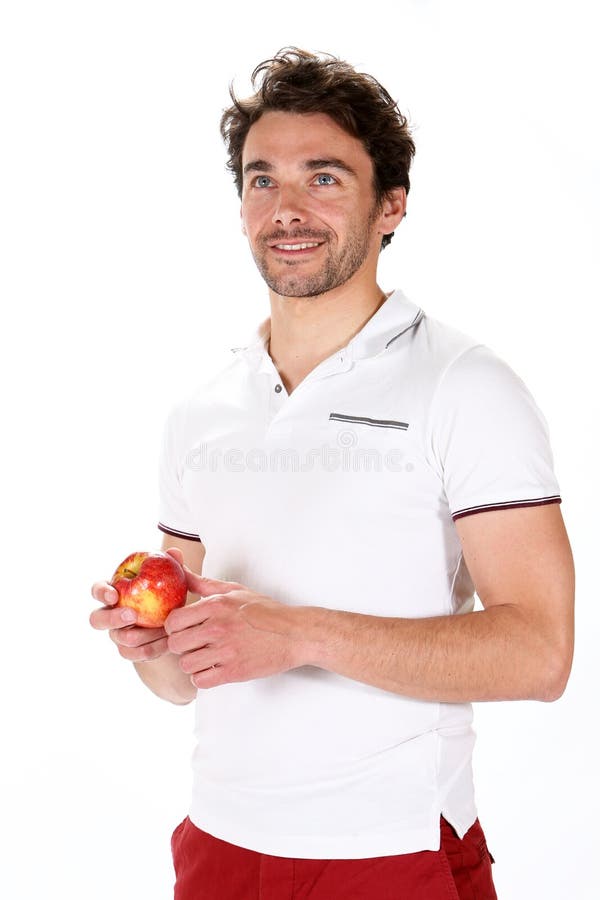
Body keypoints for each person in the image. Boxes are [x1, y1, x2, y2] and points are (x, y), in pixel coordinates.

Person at [90, 48, 575, 900]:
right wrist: (150, 646)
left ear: (391, 205)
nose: (287, 209)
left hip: (391, 850)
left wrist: (301, 634)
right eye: (261, 180)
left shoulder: (464, 385)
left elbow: (540, 653)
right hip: (219, 844)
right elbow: (177, 682)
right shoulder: (202, 410)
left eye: (324, 178)